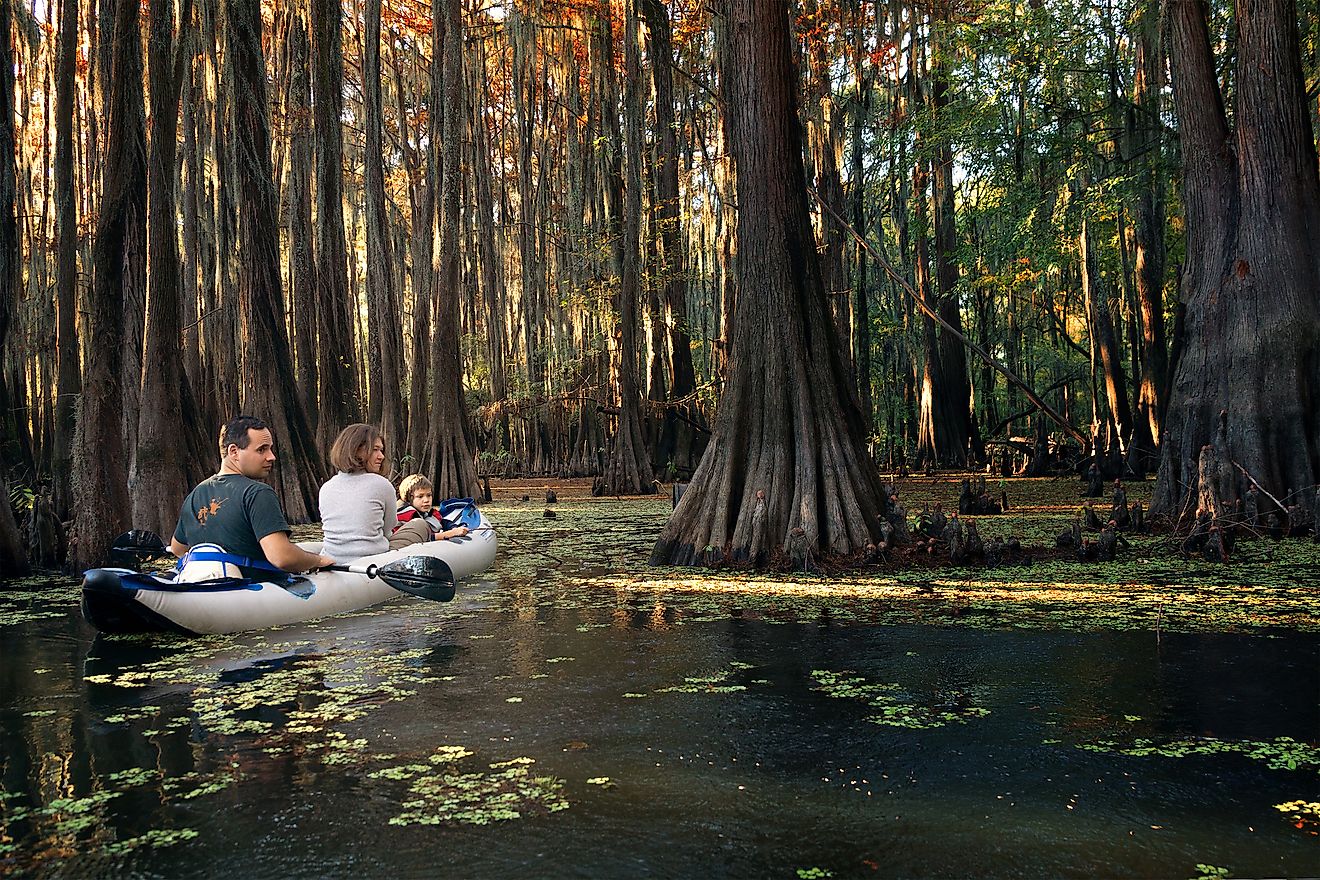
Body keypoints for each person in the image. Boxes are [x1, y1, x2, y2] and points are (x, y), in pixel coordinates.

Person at [171, 415, 334, 578]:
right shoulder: (258, 493)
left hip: (209, 586)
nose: (271, 456)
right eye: (262, 449)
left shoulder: (195, 494)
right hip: (254, 588)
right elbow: (282, 557)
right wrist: (318, 561)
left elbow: (178, 549)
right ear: (233, 451)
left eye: (270, 448)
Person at [318, 424, 398, 561]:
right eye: (375, 450)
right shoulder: (382, 485)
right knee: (419, 526)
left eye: (381, 450)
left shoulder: (326, 487)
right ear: (355, 450)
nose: (381, 456)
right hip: (372, 562)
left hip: (332, 559)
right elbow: (388, 529)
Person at [389, 473, 470, 550]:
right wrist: (449, 534)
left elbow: (443, 522)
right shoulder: (403, 516)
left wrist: (454, 527)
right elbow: (419, 538)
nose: (426, 500)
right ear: (408, 498)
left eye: (429, 495)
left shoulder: (429, 513)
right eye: (420, 496)